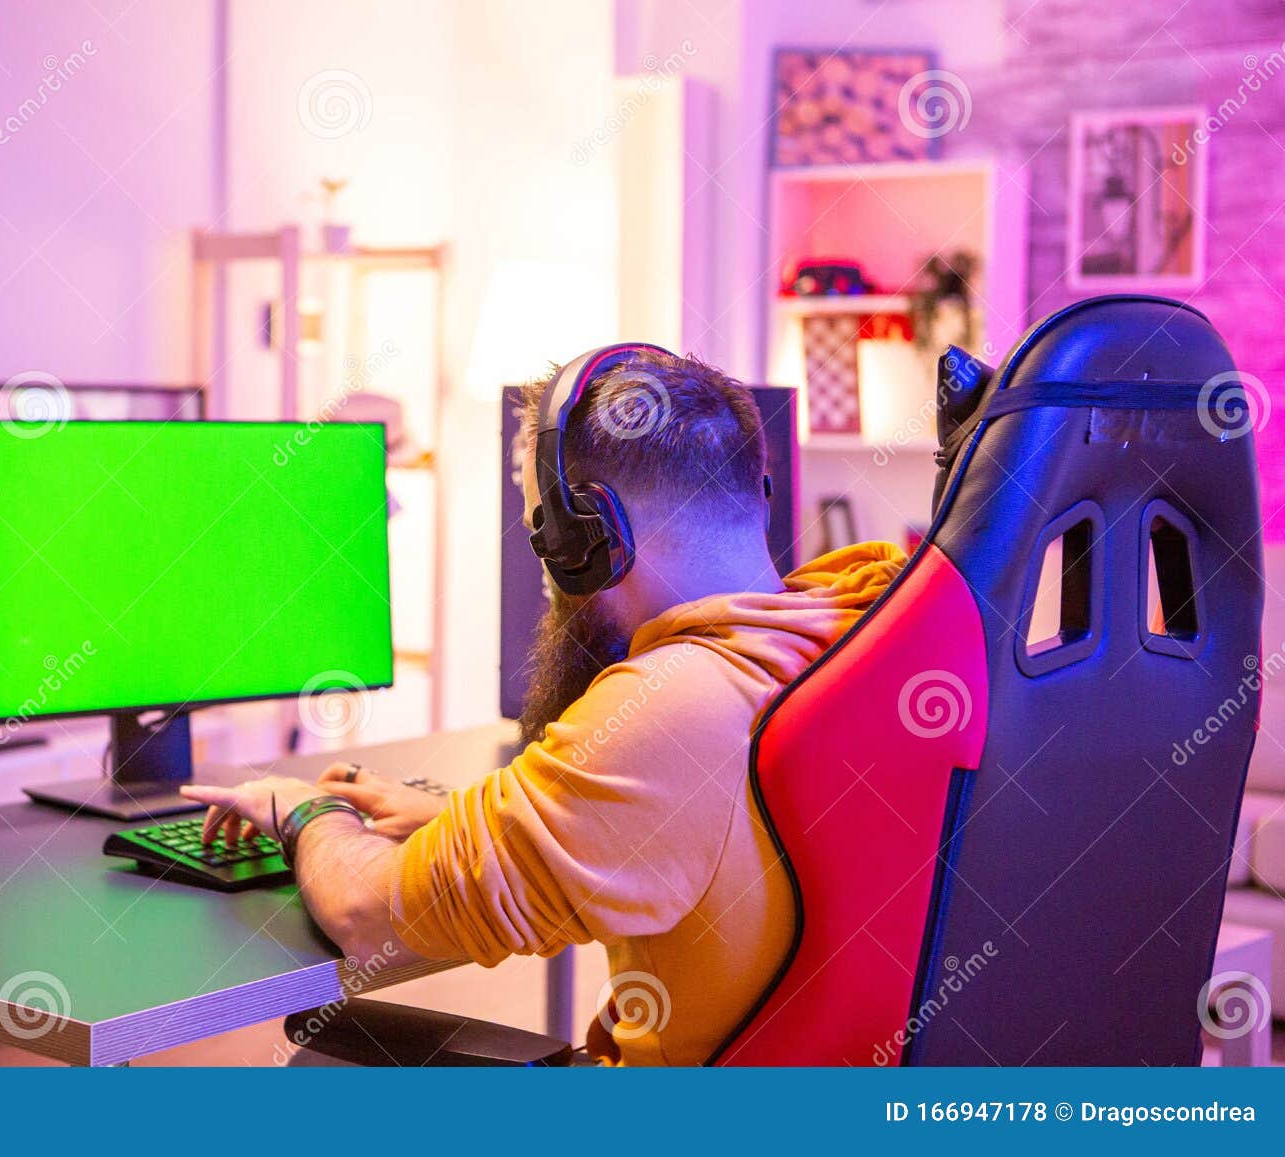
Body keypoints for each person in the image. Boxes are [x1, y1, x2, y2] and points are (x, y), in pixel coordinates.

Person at [181, 348, 905, 1065]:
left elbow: (366, 916)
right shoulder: (868, 618)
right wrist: (470, 821)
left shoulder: (666, 704)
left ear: (585, 538)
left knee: (317, 1060)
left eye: (542, 531)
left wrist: (303, 811)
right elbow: (703, 833)